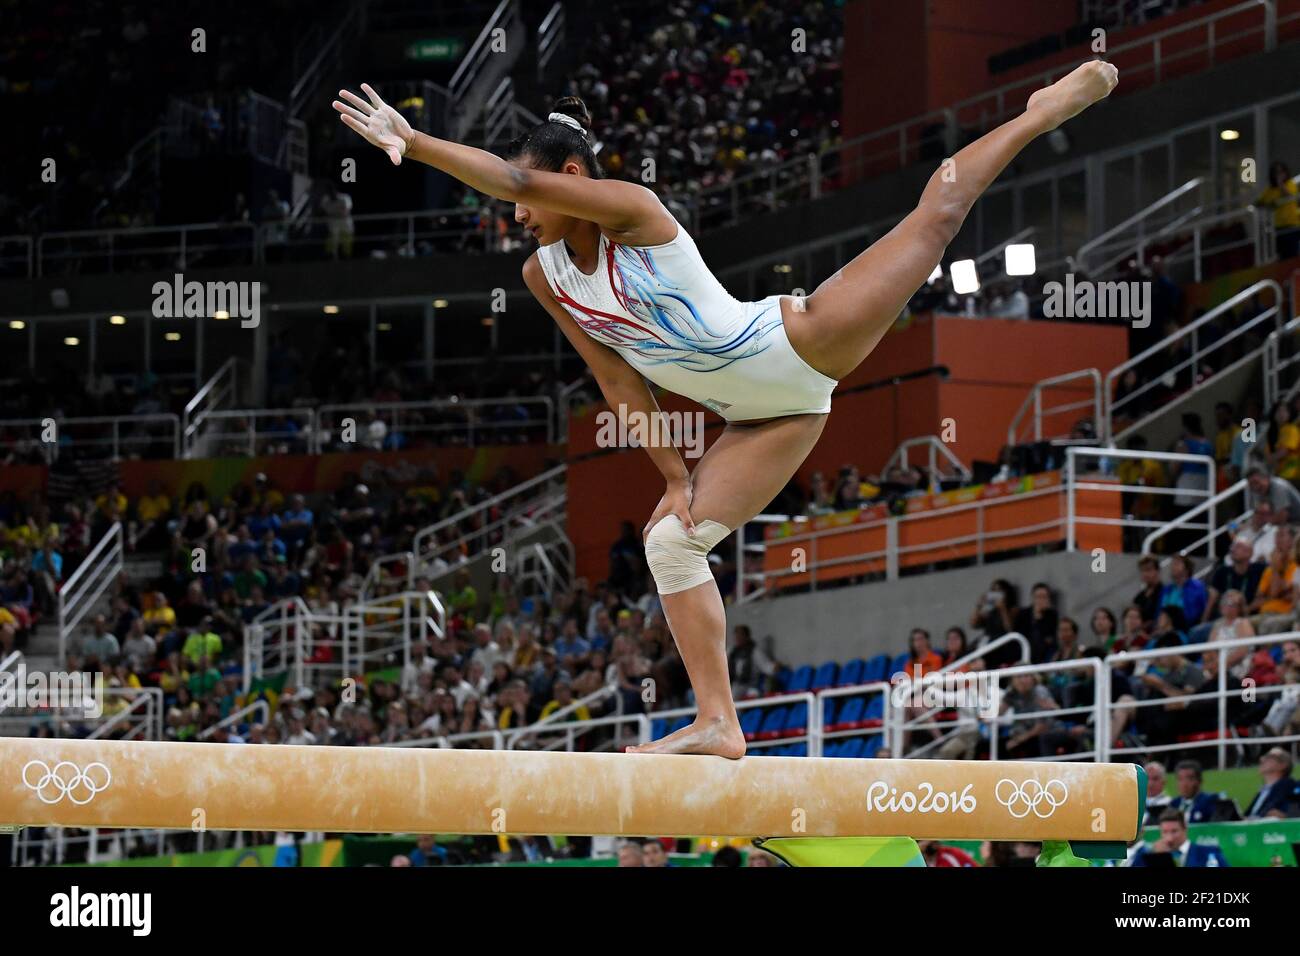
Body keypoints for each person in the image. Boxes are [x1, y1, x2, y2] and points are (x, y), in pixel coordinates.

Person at [334, 62, 1121, 757]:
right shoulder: (547, 277)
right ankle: (719, 723)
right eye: (518, 205)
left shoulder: (633, 211)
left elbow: (520, 184)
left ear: (575, 174)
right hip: (769, 420)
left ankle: (1036, 114)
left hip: (798, 344)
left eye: (533, 191)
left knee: (935, 220)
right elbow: (617, 381)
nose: (519, 216)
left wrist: (418, 141)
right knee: (670, 544)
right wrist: (674, 476)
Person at [1130, 809, 1229, 867]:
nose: (1169, 838)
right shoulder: (1147, 857)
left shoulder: (1208, 853)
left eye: (1174, 831)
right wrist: (1157, 858)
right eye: (1165, 832)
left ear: (1185, 828)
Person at [1243, 748, 1297, 818]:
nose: (1262, 759)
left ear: (1283, 765)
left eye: (1269, 757)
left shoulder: (1288, 786)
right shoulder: (1264, 790)